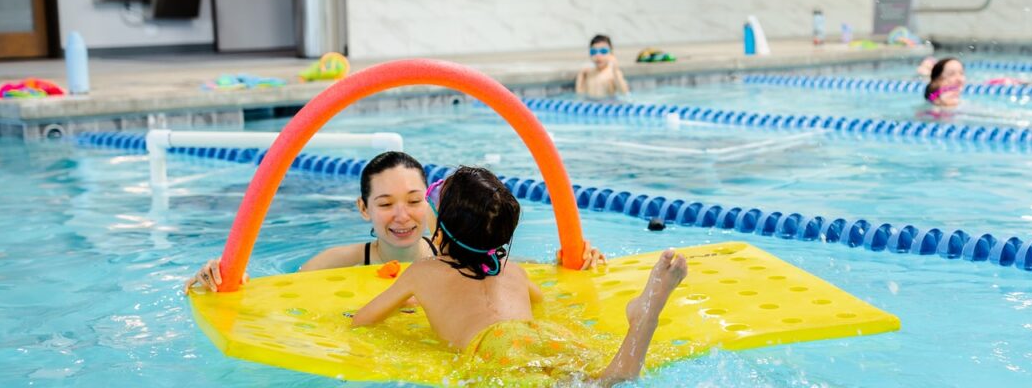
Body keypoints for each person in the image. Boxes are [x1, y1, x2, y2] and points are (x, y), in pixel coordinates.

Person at [353, 166, 686, 386]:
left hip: (495, 349)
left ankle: (643, 321)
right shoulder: (514, 271)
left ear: (440, 230)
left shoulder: (422, 273)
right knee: (590, 380)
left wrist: (412, 303)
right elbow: (542, 302)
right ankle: (642, 320)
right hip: (541, 334)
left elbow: (362, 321)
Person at [182, 152, 610, 293]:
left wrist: (575, 263)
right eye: (385, 203)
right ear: (364, 209)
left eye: (412, 201)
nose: (403, 216)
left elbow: (529, 279)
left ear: (431, 205)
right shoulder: (336, 262)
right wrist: (214, 283)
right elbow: (270, 300)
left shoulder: (463, 255)